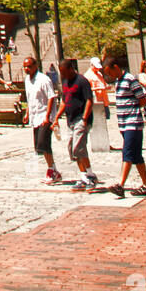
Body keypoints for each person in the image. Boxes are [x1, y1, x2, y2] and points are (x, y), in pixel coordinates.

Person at [101, 48, 146, 198]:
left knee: (128, 153)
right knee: (136, 156)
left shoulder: (130, 79)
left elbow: (142, 99)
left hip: (133, 123)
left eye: (110, 72)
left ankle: (121, 184)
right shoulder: (118, 82)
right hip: (124, 124)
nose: (109, 76)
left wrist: (133, 110)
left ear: (116, 67)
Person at [52, 58, 98, 191]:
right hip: (70, 120)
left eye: (64, 72)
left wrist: (84, 118)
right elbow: (64, 102)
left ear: (70, 69)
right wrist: (56, 118)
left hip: (81, 119)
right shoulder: (66, 82)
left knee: (79, 148)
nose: (63, 75)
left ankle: (90, 175)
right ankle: (84, 177)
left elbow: (89, 100)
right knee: (73, 149)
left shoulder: (82, 81)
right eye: (61, 72)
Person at [23, 55, 61, 184]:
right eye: (25, 67)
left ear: (35, 66)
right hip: (35, 116)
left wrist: (48, 116)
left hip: (45, 116)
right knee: (41, 147)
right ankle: (53, 169)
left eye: (29, 66)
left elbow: (51, 97)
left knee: (43, 143)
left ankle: (52, 170)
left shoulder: (44, 80)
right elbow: (30, 98)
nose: (26, 69)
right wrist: (27, 113)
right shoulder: (27, 80)